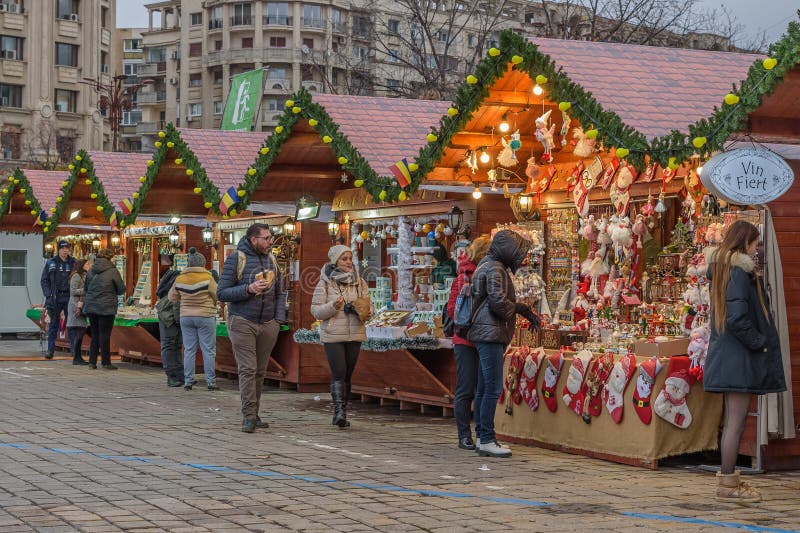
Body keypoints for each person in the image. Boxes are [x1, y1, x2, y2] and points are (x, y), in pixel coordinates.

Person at [704, 220, 786, 502]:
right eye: (754, 244)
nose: (756, 249)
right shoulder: (737, 272)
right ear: (745, 243)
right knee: (736, 422)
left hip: (729, 355)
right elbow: (738, 317)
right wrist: (759, 342)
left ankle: (729, 481)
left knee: (732, 422)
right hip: (738, 357)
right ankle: (728, 483)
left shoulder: (723, 269)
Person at [467, 230, 540, 458]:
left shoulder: (487, 265)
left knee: (483, 388)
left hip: (485, 332)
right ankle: (487, 438)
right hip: (491, 332)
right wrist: (521, 308)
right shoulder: (496, 268)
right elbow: (498, 302)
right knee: (493, 388)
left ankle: (482, 436)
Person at [217, 223, 287, 433]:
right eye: (266, 238)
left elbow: (281, 291)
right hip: (242, 321)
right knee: (248, 369)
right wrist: (248, 289)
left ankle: (255, 413)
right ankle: (248, 415)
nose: (270, 242)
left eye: (271, 237)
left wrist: (278, 320)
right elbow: (222, 293)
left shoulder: (272, 259)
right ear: (253, 239)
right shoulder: (236, 258)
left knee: (260, 370)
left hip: (267, 323)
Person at [311, 244, 372, 428]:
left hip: (355, 333)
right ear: (335, 261)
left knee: (348, 375)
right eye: (344, 259)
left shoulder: (359, 282)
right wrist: (333, 307)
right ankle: (339, 412)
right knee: (339, 372)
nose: (348, 262)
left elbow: (368, 303)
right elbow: (315, 311)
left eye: (349, 258)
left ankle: (343, 410)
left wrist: (368, 311)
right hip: (333, 334)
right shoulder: (325, 282)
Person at [446, 235, 491, 450]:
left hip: (484, 339)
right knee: (466, 388)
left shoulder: (491, 274)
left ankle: (482, 434)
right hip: (466, 339)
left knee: (482, 388)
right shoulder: (464, 277)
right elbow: (451, 309)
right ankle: (464, 435)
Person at [169, 248, 219, 391]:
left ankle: (188, 381)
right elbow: (217, 295)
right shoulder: (208, 278)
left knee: (189, 350)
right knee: (208, 350)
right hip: (205, 316)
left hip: (186, 316)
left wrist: (184, 298)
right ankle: (210, 382)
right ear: (202, 264)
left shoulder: (180, 279)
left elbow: (171, 297)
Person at [83, 248, 125, 370]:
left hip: (91, 307)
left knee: (95, 334)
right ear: (109, 258)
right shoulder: (113, 271)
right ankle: (106, 362)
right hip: (106, 307)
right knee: (105, 334)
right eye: (113, 257)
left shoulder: (91, 270)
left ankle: (92, 362)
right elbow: (121, 289)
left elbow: (86, 288)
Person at [40, 240, 76, 359]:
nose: (65, 250)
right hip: (55, 297)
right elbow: (44, 280)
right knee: (54, 324)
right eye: (63, 248)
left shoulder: (73, 262)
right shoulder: (51, 262)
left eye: (67, 248)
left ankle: (74, 350)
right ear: (58, 249)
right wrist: (48, 295)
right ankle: (50, 350)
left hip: (69, 297)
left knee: (71, 323)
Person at [155, 267, 183, 387]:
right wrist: (178, 322)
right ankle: (172, 376)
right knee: (171, 346)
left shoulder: (166, 290)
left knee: (172, 346)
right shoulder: (177, 287)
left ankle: (178, 375)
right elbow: (176, 306)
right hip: (170, 318)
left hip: (167, 317)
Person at [66, 258, 92, 366]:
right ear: (82, 265)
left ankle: (77, 357)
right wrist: (86, 290)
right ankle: (76, 357)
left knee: (80, 332)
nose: (89, 265)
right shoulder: (76, 276)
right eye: (87, 263)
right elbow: (73, 291)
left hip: (81, 305)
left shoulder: (83, 275)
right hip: (76, 306)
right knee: (80, 332)